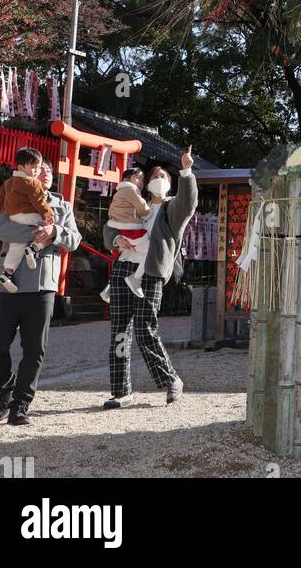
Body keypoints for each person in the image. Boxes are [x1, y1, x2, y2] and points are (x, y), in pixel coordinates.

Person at [0, 157, 81, 427]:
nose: (46, 173)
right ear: (30, 171)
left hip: (42, 286)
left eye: (50, 170)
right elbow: (3, 229)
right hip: (9, 284)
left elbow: (75, 240)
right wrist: (38, 232)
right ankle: (6, 389)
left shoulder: (62, 205)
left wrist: (56, 231)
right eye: (42, 169)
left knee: (34, 349)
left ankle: (20, 404)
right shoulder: (13, 193)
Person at [102, 146, 197, 410]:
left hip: (152, 273)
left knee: (145, 328)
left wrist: (186, 170)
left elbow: (189, 203)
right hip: (124, 267)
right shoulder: (136, 206)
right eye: (153, 175)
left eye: (163, 176)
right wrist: (114, 239)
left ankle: (170, 379)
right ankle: (121, 391)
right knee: (120, 328)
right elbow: (110, 225)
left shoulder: (171, 210)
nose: (157, 178)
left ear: (170, 183)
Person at [0, 147, 56, 294]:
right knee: (46, 230)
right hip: (30, 217)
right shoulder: (33, 184)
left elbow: (74, 239)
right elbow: (40, 202)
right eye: (38, 169)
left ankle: (6, 275)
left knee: (16, 246)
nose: (41, 173)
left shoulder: (8, 182)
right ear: (22, 167)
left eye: (47, 171)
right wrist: (49, 220)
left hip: (42, 285)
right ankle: (33, 248)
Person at [99, 167, 151, 301]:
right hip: (130, 235)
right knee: (152, 250)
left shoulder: (120, 193)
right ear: (126, 179)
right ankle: (134, 279)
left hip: (126, 235)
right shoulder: (132, 191)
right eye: (137, 177)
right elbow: (143, 209)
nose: (140, 182)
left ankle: (109, 288)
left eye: (143, 179)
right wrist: (116, 238)